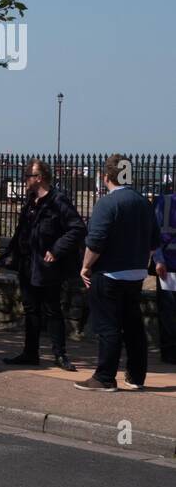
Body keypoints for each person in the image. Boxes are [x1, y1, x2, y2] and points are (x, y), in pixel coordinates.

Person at [76, 154, 160, 391]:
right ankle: (136, 377)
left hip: (110, 274)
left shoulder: (107, 203)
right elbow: (154, 242)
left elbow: (96, 242)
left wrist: (86, 266)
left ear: (106, 177)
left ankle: (104, 377)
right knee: (134, 327)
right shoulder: (143, 202)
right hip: (135, 274)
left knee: (108, 327)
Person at [0, 159, 87, 370]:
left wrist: (56, 250)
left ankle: (60, 355)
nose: (25, 178)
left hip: (47, 266)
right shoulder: (31, 201)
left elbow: (77, 228)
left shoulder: (58, 201)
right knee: (30, 310)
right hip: (28, 263)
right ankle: (30, 353)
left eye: (29, 175)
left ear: (40, 178)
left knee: (52, 309)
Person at [153, 184, 176, 364]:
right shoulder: (165, 202)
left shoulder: (163, 202)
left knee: (168, 310)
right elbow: (154, 234)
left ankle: (169, 352)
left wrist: (159, 259)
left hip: (167, 263)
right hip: (168, 265)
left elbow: (155, 234)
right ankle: (169, 352)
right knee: (168, 310)